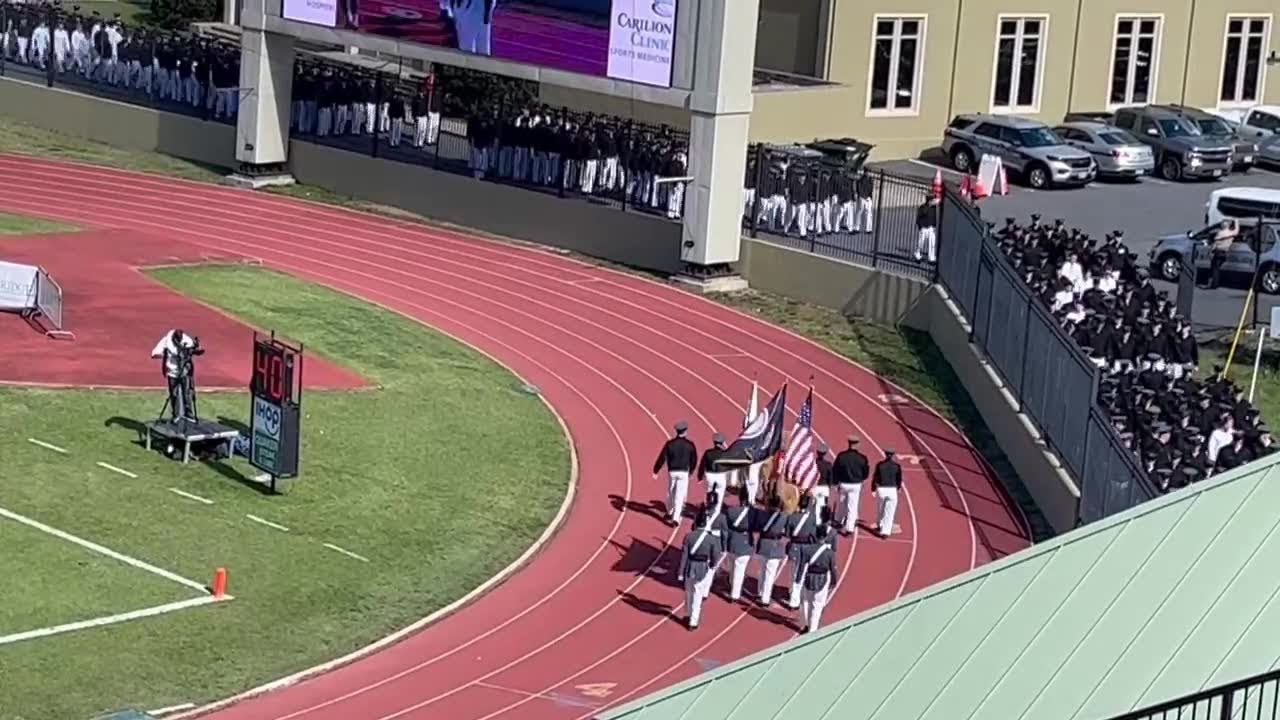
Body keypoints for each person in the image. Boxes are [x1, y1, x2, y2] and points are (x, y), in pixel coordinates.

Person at [679, 505, 722, 630]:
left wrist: (681, 572)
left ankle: (687, 614)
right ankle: (693, 621)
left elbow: (684, 556)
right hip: (702, 567)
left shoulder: (689, 537)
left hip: (689, 567)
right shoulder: (711, 539)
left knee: (688, 592)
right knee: (697, 594)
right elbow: (715, 555)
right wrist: (713, 565)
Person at [150, 329, 202, 421]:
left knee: (187, 393)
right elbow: (154, 354)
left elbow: (194, 350)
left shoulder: (187, 340)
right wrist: (165, 355)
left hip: (184, 371)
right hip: (172, 372)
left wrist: (193, 351)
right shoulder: (166, 341)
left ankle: (188, 414)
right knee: (174, 395)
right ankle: (176, 415)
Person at [653, 420, 697, 526]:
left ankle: (669, 511)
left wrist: (656, 470)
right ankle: (676, 518)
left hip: (672, 471)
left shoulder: (670, 444)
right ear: (685, 431)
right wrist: (691, 471)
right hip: (683, 472)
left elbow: (662, 457)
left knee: (671, 492)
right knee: (679, 495)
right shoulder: (690, 445)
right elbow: (694, 460)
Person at [799, 516, 839, 633]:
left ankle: (804, 625)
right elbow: (833, 569)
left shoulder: (807, 549)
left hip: (809, 578)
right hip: (822, 579)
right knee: (817, 605)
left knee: (805, 601)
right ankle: (812, 629)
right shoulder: (829, 553)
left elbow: (801, 566)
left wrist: (798, 579)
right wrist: (834, 581)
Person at [785, 493, 820, 610]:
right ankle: (794, 600)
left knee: (793, 572)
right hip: (806, 548)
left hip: (794, 546)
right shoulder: (812, 519)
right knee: (801, 574)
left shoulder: (792, 517)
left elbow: (788, 533)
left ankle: (792, 593)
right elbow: (815, 535)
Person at [753, 492, 788, 606]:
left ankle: (759, 592)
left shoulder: (761, 514)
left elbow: (757, 527)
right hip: (775, 546)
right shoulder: (783, 517)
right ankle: (765, 599)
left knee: (762, 570)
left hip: (763, 543)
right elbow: (787, 532)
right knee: (770, 574)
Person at [721, 485, 755, 602]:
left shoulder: (731, 511)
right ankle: (735, 594)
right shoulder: (753, 513)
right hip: (745, 544)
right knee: (739, 570)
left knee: (733, 567)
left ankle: (732, 584)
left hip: (732, 542)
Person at [833, 435, 869, 535]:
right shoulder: (862, 458)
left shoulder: (842, 456)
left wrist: (836, 482)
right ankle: (849, 528)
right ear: (857, 444)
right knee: (852, 507)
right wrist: (861, 479)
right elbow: (866, 472)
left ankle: (838, 521)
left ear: (848, 443)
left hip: (844, 483)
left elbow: (835, 469)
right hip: (856, 484)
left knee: (841, 503)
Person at [697, 433, 731, 515]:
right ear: (722, 443)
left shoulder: (708, 453)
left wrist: (700, 476)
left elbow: (702, 465)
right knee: (719, 498)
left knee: (708, 495)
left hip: (709, 476)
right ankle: (715, 515)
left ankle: (707, 512)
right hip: (721, 476)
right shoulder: (725, 454)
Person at [873, 448, 903, 538]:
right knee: (889, 512)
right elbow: (899, 478)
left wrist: (873, 488)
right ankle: (885, 532)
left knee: (880, 509)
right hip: (892, 489)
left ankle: (879, 524)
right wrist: (898, 487)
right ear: (892, 455)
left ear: (885, 454)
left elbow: (875, 477)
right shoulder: (897, 466)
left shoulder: (880, 465)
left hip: (882, 488)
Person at [915, 194, 939, 263]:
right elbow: (920, 216)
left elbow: (934, 217)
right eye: (932, 200)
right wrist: (920, 226)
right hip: (924, 227)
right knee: (921, 243)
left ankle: (931, 258)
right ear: (929, 201)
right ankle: (918, 255)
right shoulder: (923, 207)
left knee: (932, 243)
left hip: (931, 227)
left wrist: (934, 226)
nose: (934, 201)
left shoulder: (933, 208)